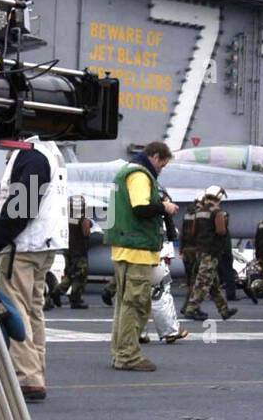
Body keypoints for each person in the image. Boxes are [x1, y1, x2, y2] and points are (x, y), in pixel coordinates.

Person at [0, 138, 67, 400]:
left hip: (23, 245)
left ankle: (27, 377)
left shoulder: (30, 155)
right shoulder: (50, 153)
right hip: (44, 244)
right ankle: (35, 372)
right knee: (34, 310)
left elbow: (22, 207)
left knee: (17, 310)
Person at [108, 142, 177, 371]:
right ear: (155, 157)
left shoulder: (126, 171)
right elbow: (140, 207)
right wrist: (164, 207)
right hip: (137, 250)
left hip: (125, 247)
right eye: (163, 164)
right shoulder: (139, 174)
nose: (161, 169)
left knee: (124, 304)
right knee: (136, 305)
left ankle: (120, 352)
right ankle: (128, 356)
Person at [182, 185, 237, 321]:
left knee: (213, 284)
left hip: (200, 251)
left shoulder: (198, 212)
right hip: (211, 253)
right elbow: (221, 232)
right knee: (203, 282)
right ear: (218, 197)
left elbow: (193, 232)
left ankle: (224, 310)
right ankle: (192, 308)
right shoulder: (217, 212)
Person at [52, 194, 92, 309]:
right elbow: (86, 232)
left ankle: (58, 292)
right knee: (80, 274)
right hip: (80, 250)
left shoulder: (66, 218)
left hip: (68, 248)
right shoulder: (83, 219)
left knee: (71, 273)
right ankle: (74, 298)